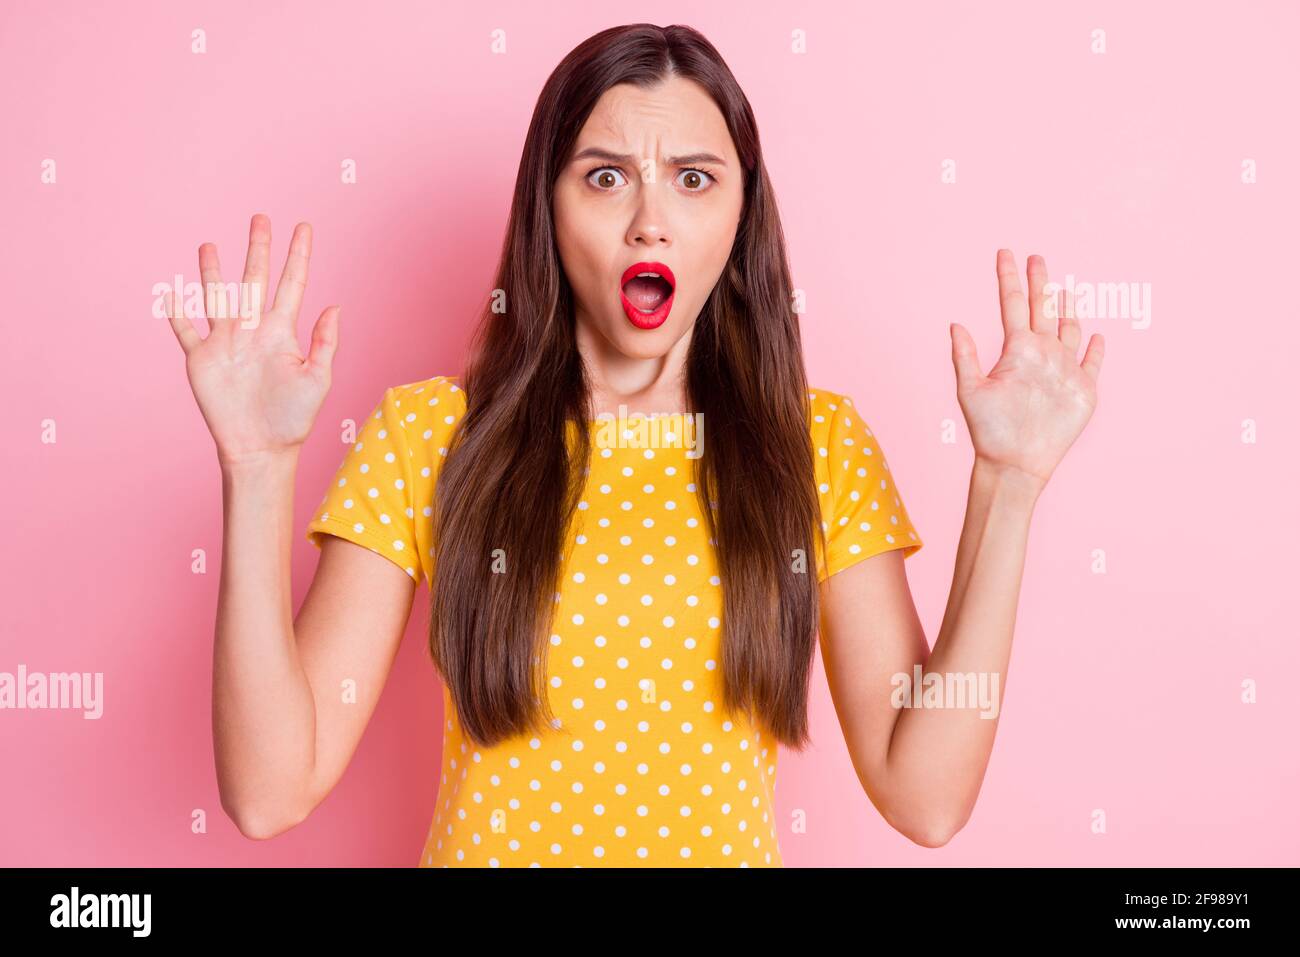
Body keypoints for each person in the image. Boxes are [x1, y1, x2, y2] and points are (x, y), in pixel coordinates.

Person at [164, 24, 1103, 868]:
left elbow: (926, 797)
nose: (650, 218)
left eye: (694, 178)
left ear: (740, 218)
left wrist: (1009, 484)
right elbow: (267, 790)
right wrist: (255, 467)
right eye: (606, 176)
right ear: (550, 204)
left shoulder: (814, 447)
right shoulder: (428, 437)